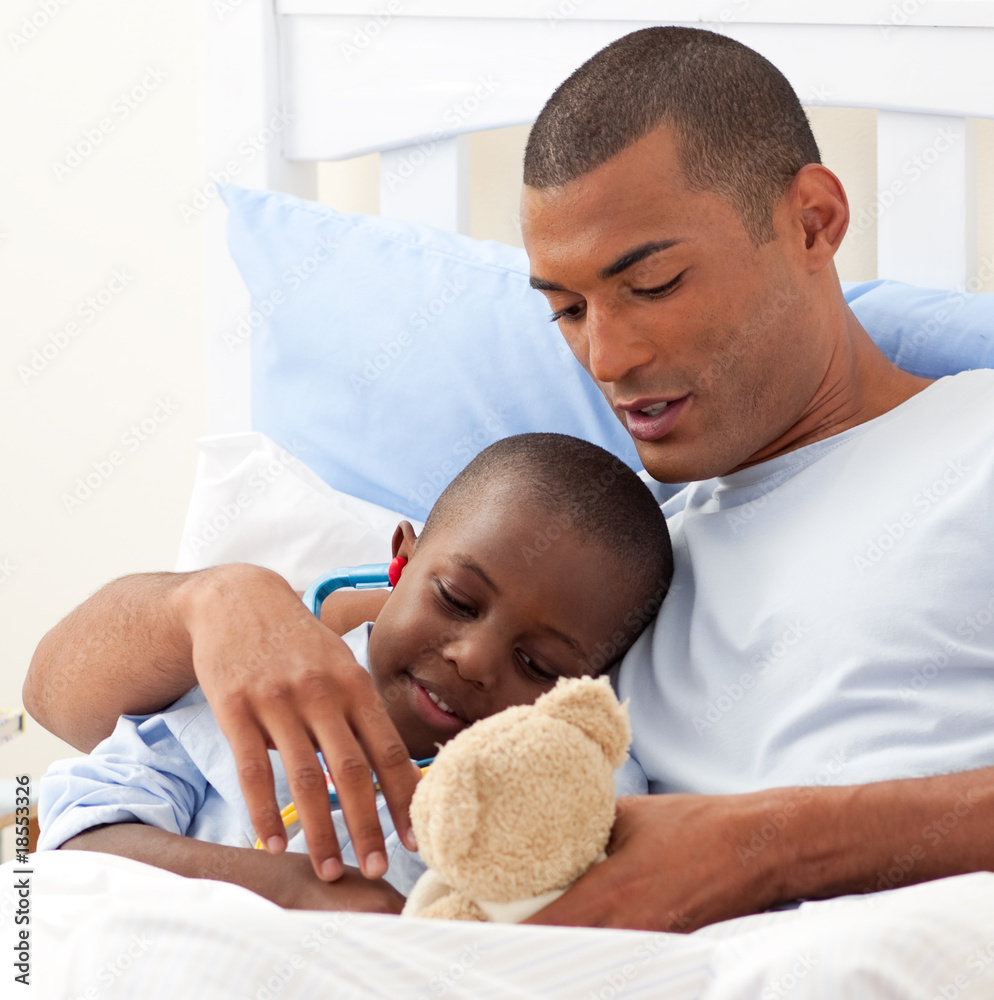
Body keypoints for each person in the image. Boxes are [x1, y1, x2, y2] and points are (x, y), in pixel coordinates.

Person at [24, 25, 994, 934]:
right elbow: (66, 704)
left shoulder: (973, 441)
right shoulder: (608, 569)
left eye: (651, 285)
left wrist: (766, 848)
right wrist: (212, 599)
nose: (605, 356)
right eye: (566, 309)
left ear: (813, 221)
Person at [35, 433, 670, 911]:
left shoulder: (574, 780)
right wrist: (288, 890)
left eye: (536, 664)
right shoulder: (267, 677)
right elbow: (68, 834)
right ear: (402, 561)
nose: (472, 659)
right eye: (454, 599)